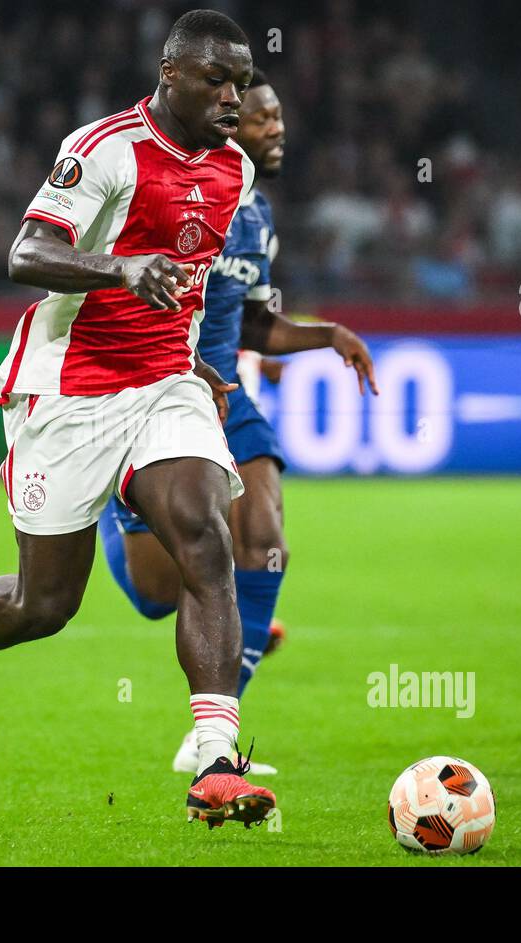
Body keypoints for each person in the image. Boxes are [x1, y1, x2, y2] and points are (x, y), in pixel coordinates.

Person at [0, 10, 276, 829]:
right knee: (44, 605)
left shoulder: (234, 169)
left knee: (207, 534)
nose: (233, 97)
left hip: (163, 384)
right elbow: (25, 254)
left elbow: (191, 277)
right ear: (171, 74)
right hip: (67, 391)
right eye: (216, 80)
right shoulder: (103, 150)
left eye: (241, 80)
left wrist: (190, 353)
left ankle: (215, 760)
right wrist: (121, 268)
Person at [97, 72, 379, 776]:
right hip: (157, 394)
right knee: (162, 593)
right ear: (225, 124)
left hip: (227, 397)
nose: (276, 128)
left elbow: (250, 318)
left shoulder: (256, 215)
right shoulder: (182, 200)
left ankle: (214, 735)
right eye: (261, 119)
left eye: (279, 116)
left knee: (266, 533)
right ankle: (112, 508)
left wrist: (327, 334)